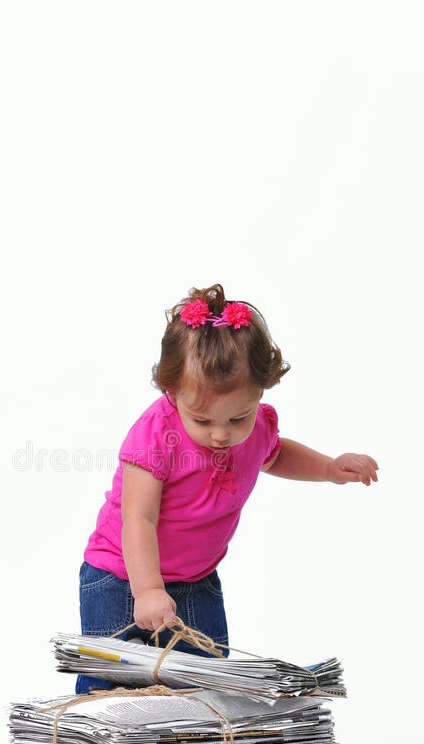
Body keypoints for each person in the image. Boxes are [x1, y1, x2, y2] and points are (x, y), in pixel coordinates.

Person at [76, 284, 378, 694]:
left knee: (204, 684)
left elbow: (274, 455)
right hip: (121, 577)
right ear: (172, 392)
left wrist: (328, 467)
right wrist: (146, 591)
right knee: (113, 685)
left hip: (196, 580)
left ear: (260, 392)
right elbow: (138, 517)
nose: (221, 434)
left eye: (238, 418)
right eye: (202, 420)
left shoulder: (254, 431)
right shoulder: (155, 435)